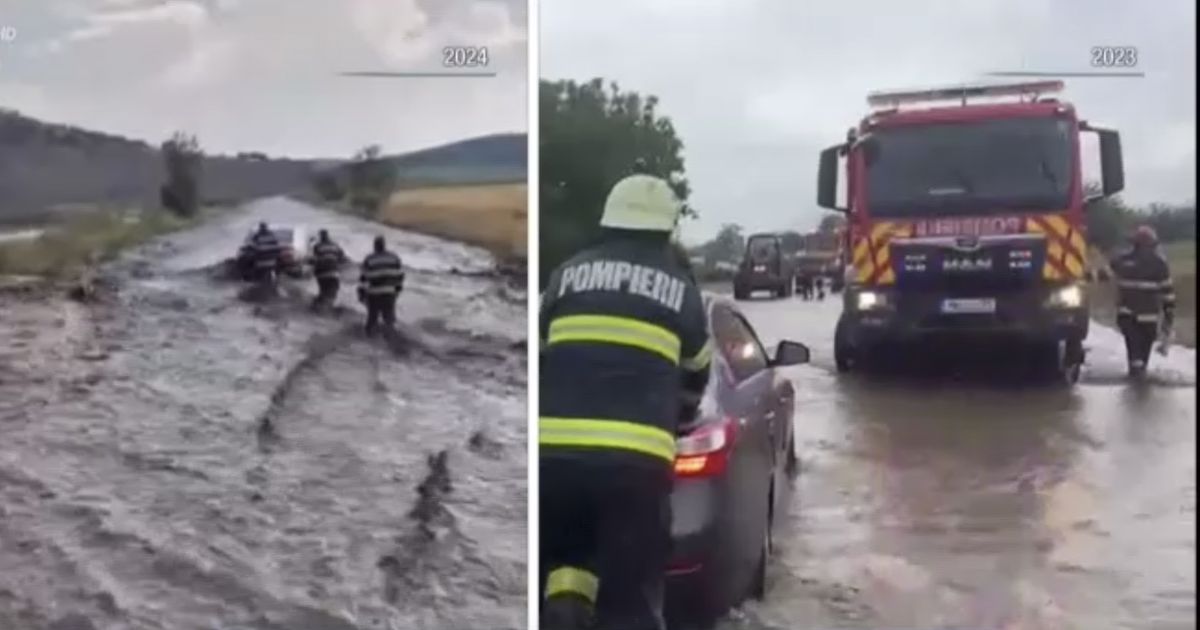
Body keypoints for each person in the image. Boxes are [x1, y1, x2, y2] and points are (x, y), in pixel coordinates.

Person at [539, 173, 712, 630]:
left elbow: (541, 355)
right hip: (635, 469)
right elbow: (697, 373)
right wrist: (678, 415)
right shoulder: (681, 290)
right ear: (667, 228)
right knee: (630, 598)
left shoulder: (564, 276)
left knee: (565, 569)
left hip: (554, 460)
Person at [1110, 225, 1175, 378]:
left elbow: (1167, 292)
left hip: (1145, 316)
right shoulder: (1157, 262)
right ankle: (1137, 377)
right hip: (1131, 314)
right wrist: (1169, 315)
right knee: (1134, 346)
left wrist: (1168, 317)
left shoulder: (1157, 263)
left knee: (1141, 351)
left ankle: (1138, 374)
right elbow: (1168, 293)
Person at [358, 235, 405, 336]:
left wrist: (361, 295)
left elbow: (363, 279)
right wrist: (396, 291)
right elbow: (400, 276)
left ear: (375, 246)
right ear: (384, 245)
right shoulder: (394, 258)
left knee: (372, 319)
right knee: (389, 319)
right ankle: (391, 339)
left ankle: (371, 340)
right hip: (389, 293)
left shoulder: (369, 259)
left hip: (374, 294)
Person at [309, 229, 346, 309]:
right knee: (333, 291)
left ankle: (318, 305)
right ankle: (329, 307)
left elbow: (314, 259)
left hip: (321, 273)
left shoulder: (318, 246)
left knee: (323, 291)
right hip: (334, 273)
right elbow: (342, 257)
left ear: (321, 237)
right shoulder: (335, 245)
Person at [249, 222, 282, 287]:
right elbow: (276, 246)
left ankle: (256, 282)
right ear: (266, 227)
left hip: (261, 260)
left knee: (256, 271)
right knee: (276, 270)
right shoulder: (271, 235)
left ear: (260, 227)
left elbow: (253, 246)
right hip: (271, 260)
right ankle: (276, 280)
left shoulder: (257, 235)